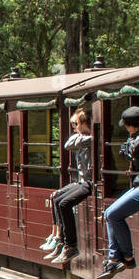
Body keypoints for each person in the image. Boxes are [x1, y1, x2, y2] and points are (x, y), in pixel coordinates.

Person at [98, 106, 139, 279]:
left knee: (113, 214)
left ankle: (126, 257)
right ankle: (114, 258)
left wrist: (130, 144)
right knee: (109, 213)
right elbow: (125, 153)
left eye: (126, 127)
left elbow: (131, 152)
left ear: (131, 126)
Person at [44, 109, 93, 266]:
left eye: (76, 124)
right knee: (56, 197)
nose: (74, 128)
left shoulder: (92, 139)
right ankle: (59, 239)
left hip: (90, 182)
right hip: (81, 180)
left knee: (65, 204)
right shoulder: (83, 138)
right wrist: (80, 137)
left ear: (85, 124)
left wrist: (81, 138)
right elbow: (68, 144)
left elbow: (71, 143)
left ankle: (70, 245)